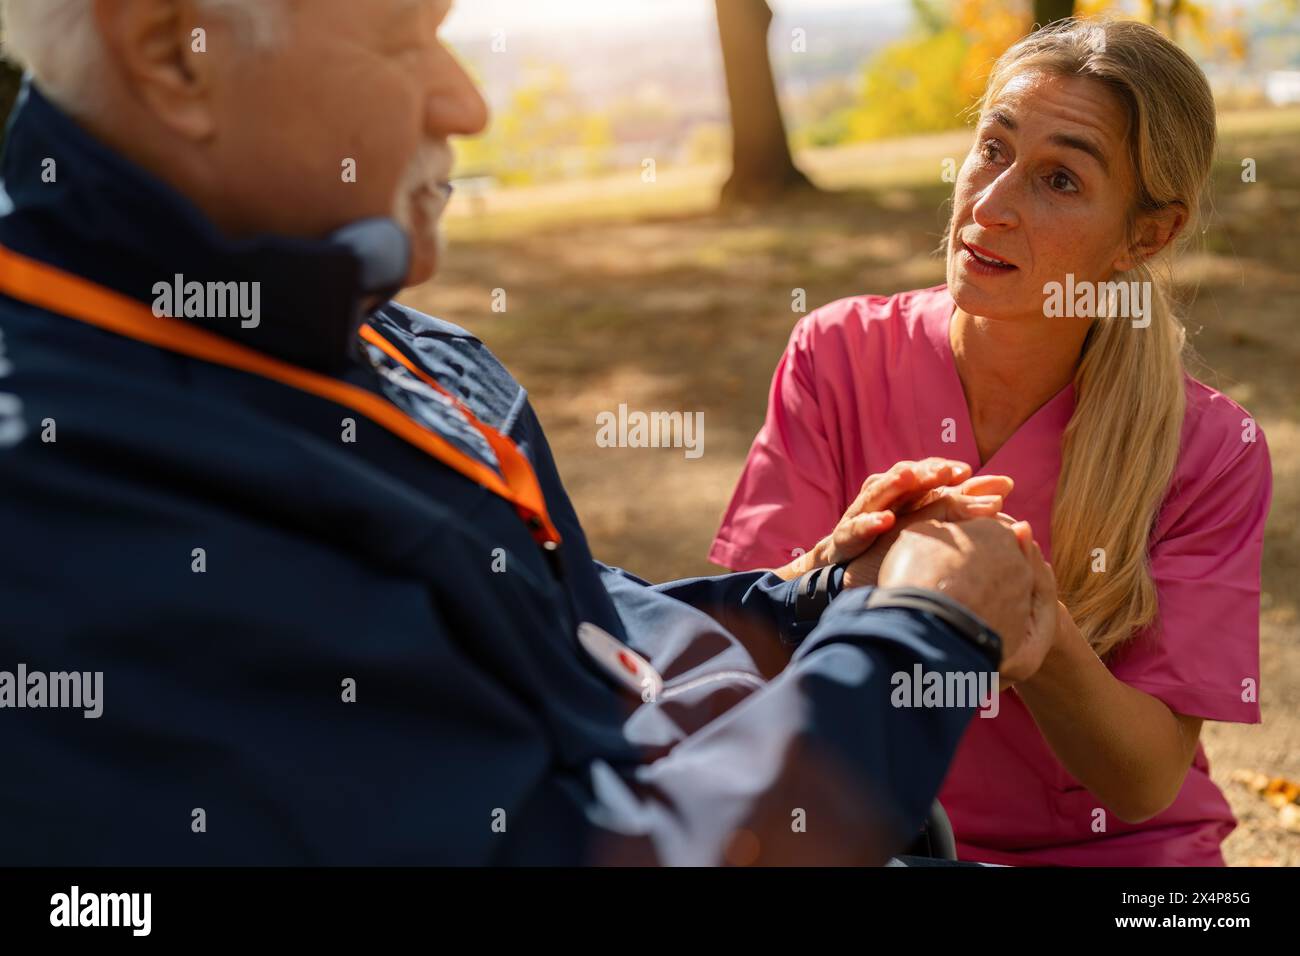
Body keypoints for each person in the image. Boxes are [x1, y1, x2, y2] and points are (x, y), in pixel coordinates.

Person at [0, 0, 1054, 865]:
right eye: (404, 36)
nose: (466, 102)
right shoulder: (76, 503)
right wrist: (929, 630)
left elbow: (567, 627)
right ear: (173, 56)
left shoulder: (363, 326)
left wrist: (807, 597)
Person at [711, 18, 1273, 866]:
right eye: (991, 148)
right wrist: (830, 569)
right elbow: (728, 670)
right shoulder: (835, 355)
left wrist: (1035, 631)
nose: (990, 204)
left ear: (1146, 236)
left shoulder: (1213, 448)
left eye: (1058, 179)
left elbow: (1146, 780)